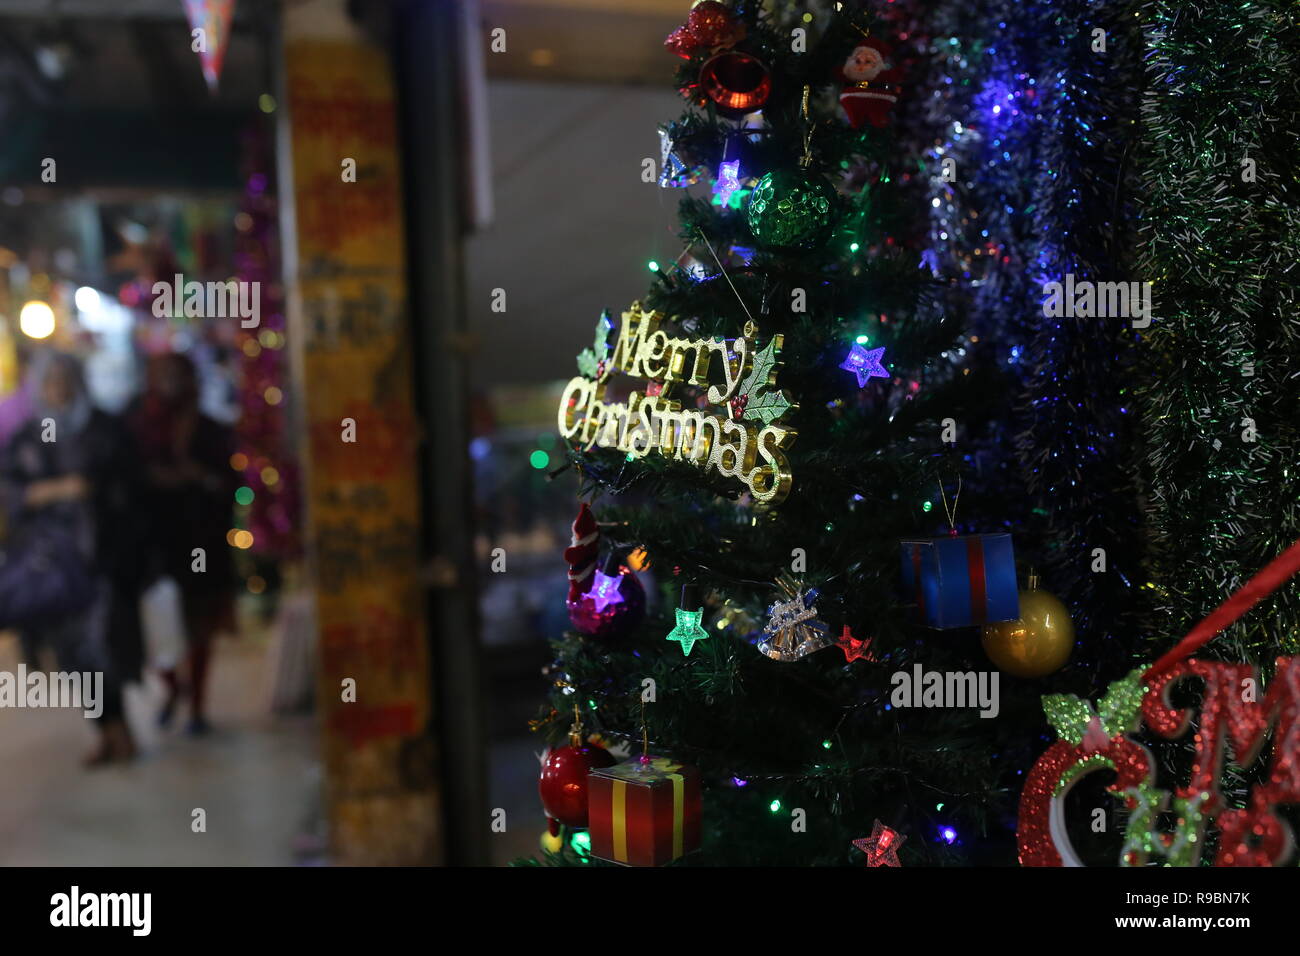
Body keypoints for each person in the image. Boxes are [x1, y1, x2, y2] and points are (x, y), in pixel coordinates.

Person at [2, 350, 145, 765]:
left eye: (65, 378)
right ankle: (108, 731)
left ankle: (121, 732)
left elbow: (131, 487)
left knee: (105, 649)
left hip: (103, 562)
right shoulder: (28, 437)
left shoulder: (103, 429)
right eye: (51, 380)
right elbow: (12, 491)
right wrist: (60, 490)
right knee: (72, 656)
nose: (59, 388)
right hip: (52, 568)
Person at [129, 352, 237, 735]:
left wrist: (198, 478)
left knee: (200, 627)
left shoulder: (209, 429)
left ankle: (196, 707)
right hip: (155, 545)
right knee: (158, 629)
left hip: (200, 542)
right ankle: (176, 689)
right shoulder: (137, 426)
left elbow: (231, 485)